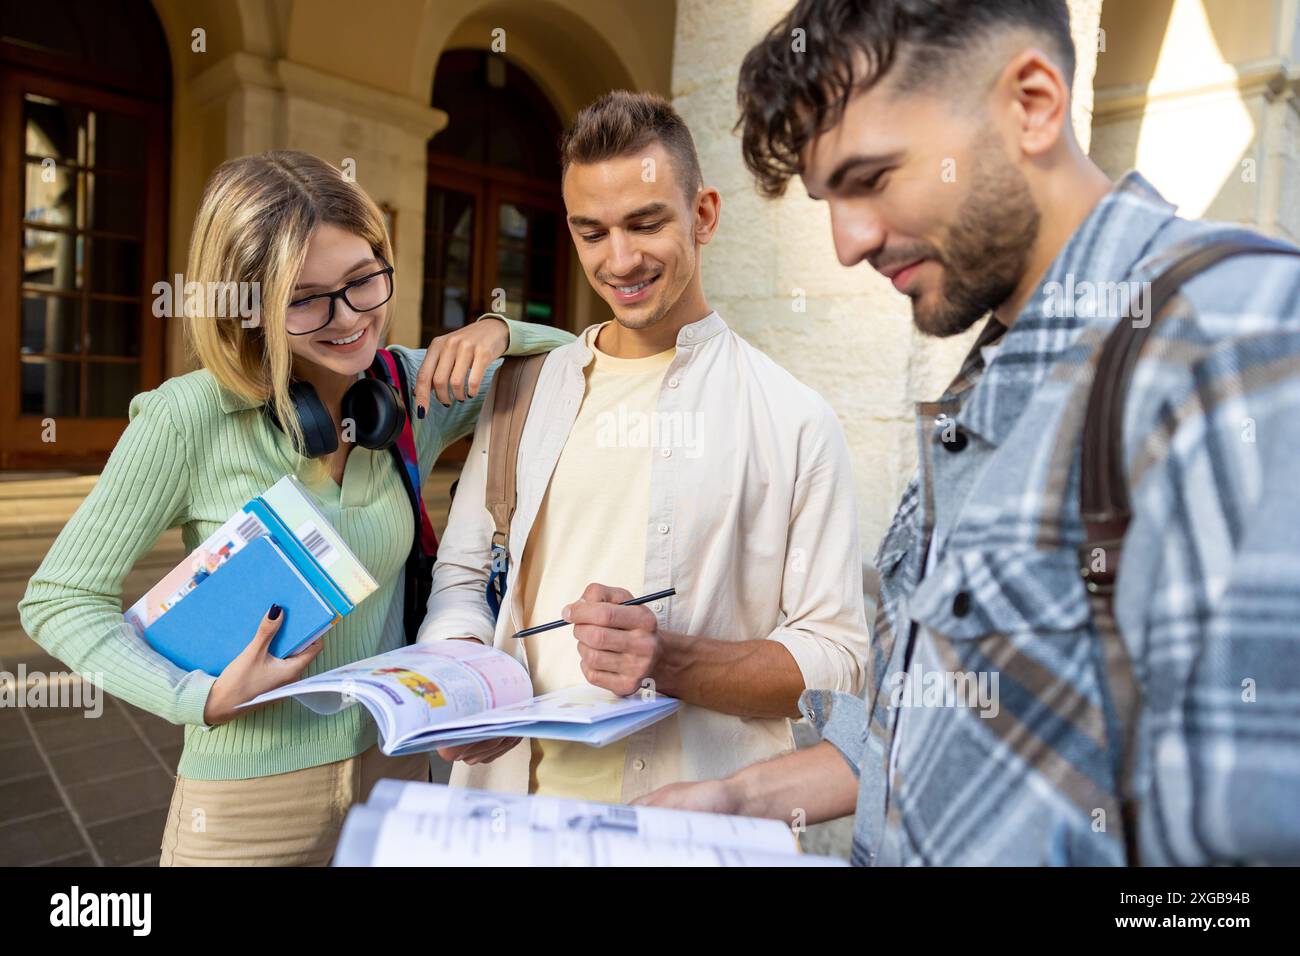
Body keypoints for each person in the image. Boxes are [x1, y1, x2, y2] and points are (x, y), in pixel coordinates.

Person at [639, 0, 1300, 866]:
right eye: (829, 198)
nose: (848, 242)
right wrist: (734, 799)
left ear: (1031, 103)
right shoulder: (994, 366)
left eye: (871, 179)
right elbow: (932, 739)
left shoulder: (1239, 340)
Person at [17, 150, 574, 865]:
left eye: (362, 281)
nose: (349, 320)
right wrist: (198, 698)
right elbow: (59, 599)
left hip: (396, 771)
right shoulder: (185, 418)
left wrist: (498, 330)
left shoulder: (406, 389)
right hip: (249, 803)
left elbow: (574, 364)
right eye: (305, 298)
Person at [417, 91, 870, 803]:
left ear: (704, 215)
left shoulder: (795, 419)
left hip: (687, 826)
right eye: (591, 232)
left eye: (645, 223)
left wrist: (668, 658)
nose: (619, 259)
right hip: (508, 816)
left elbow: (839, 663)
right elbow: (465, 578)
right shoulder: (520, 394)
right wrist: (467, 671)